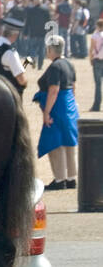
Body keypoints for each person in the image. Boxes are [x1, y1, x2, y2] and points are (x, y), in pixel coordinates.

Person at [34, 35, 78, 190]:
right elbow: (73, 87)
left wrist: (47, 112)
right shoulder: (69, 64)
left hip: (57, 106)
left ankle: (60, 179)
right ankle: (71, 178)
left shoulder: (54, 66)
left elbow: (54, 90)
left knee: (55, 143)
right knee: (69, 142)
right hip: (69, 105)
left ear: (51, 50)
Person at [0, 13, 29, 99]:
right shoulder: (10, 52)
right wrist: (26, 83)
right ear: (15, 35)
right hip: (6, 96)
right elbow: (21, 80)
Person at [91, 18, 103, 113]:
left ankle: (97, 105)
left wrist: (91, 59)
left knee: (98, 84)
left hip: (97, 61)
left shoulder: (95, 36)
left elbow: (91, 49)